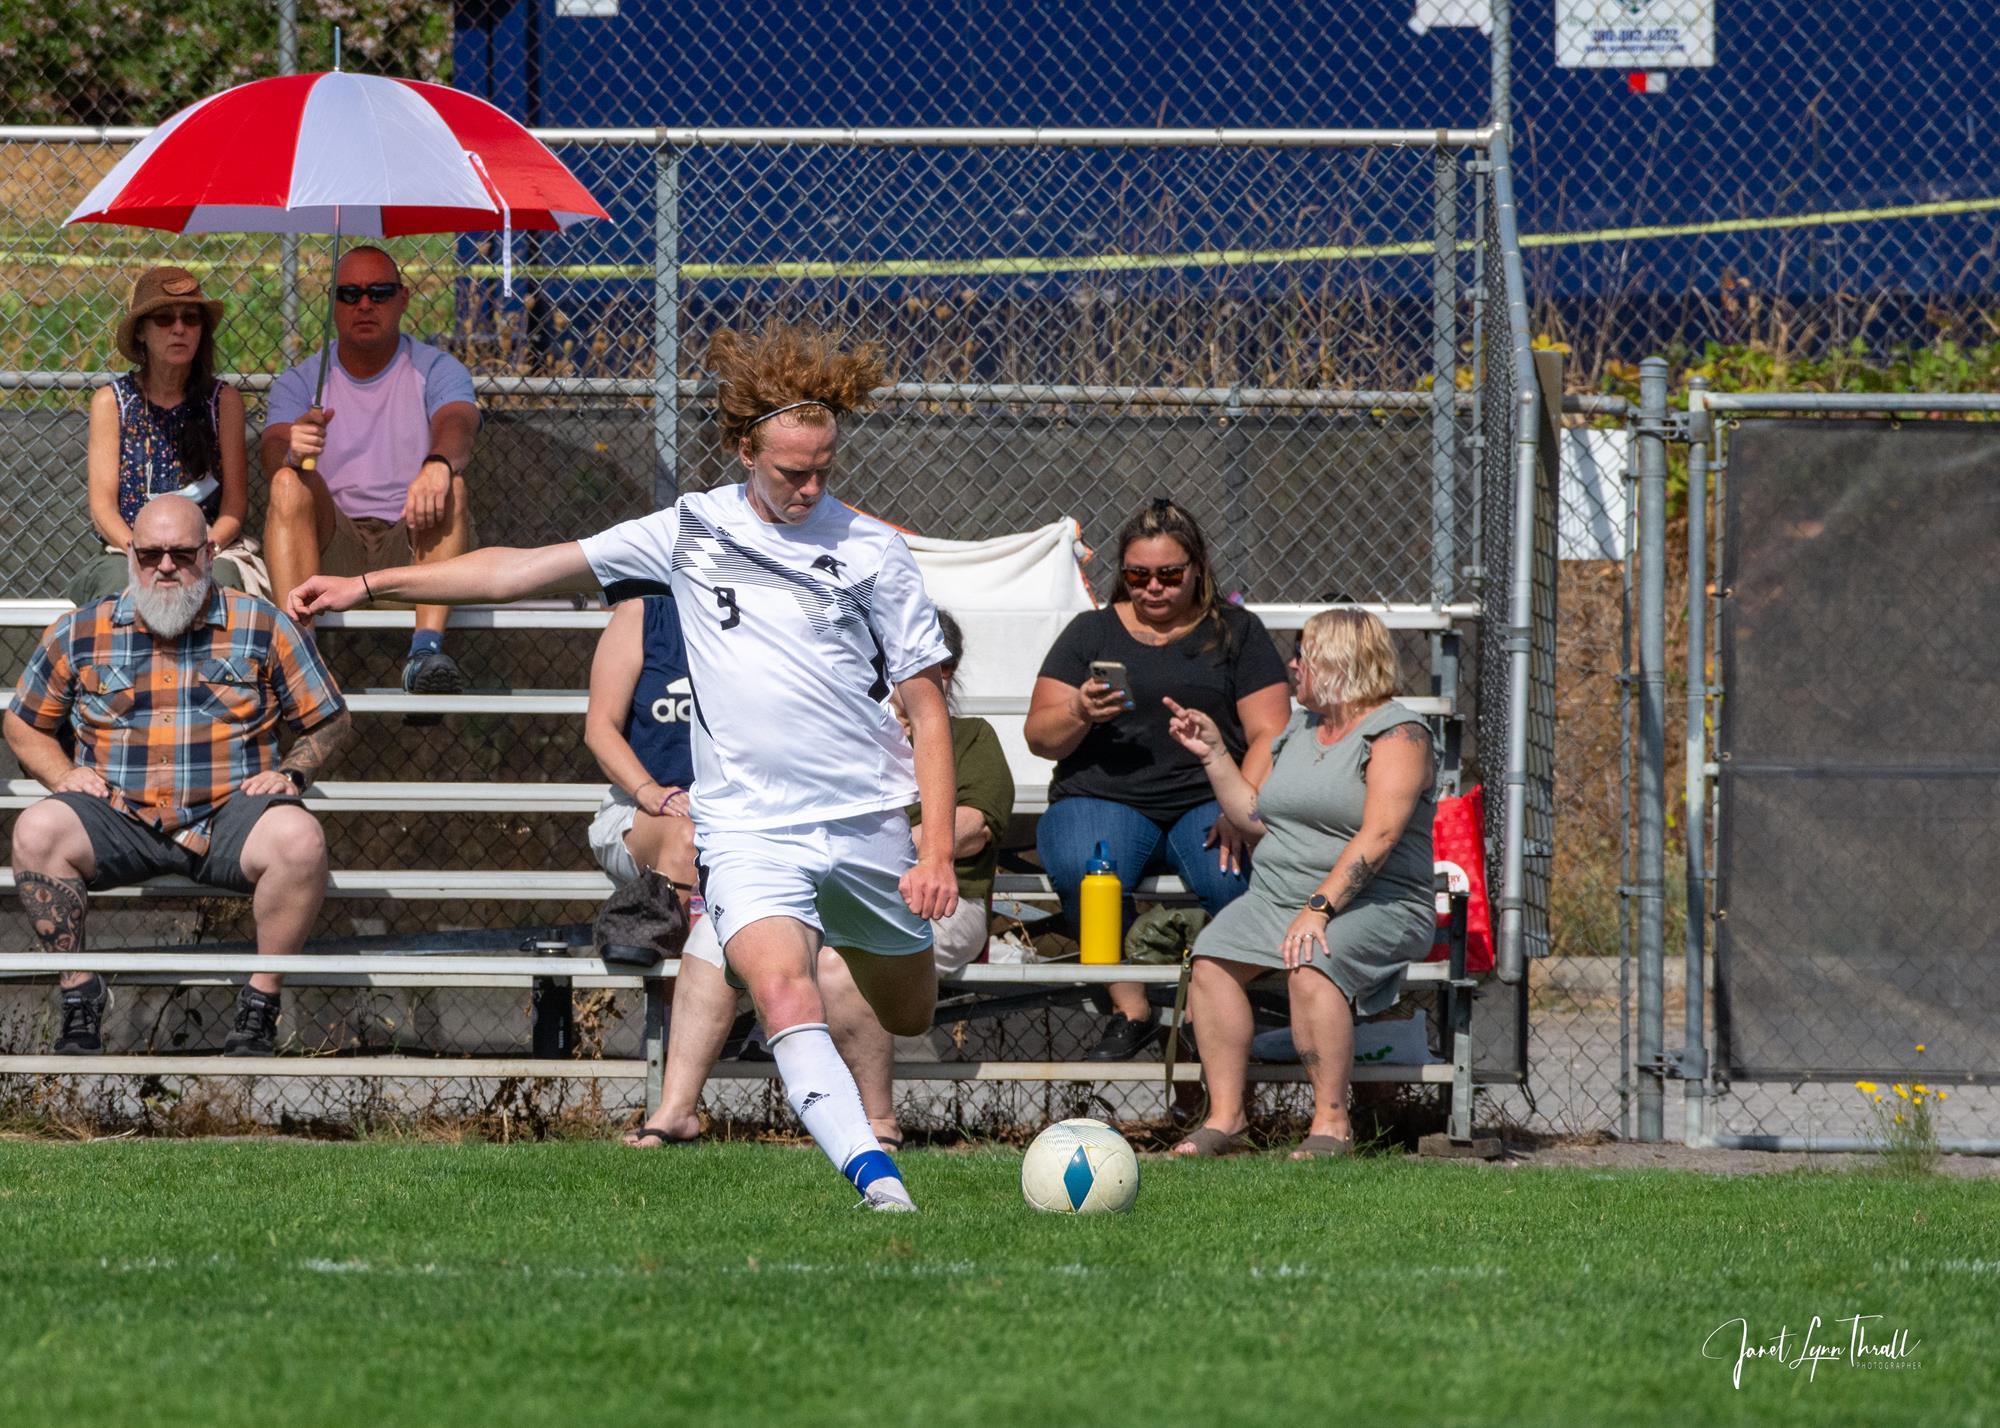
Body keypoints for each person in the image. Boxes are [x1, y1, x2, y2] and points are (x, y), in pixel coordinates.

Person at [289, 322, 958, 1211]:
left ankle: (880, 1063)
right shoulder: (689, 530)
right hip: (751, 826)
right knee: (783, 986)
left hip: (867, 821)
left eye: (823, 469)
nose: (809, 486)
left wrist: (937, 851)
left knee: (906, 1008)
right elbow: (514, 572)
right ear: (742, 447)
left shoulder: (874, 552)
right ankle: (878, 1184)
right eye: (792, 469)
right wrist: (367, 586)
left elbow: (926, 711)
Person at [620, 608, 1013, 1152]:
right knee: (714, 939)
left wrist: (877, 840)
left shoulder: (969, 738)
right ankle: (675, 1110)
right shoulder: (842, 730)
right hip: (814, 885)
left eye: (931, 667)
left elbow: (971, 827)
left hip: (935, 904)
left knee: (840, 957)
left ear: (947, 673)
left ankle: (877, 1121)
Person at [7, 495, 351, 1057]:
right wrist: (63, 772)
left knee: (300, 838)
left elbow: (330, 720)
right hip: (115, 815)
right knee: (35, 831)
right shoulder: (80, 631)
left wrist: (292, 775)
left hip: (228, 816)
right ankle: (78, 994)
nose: (165, 566)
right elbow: (23, 726)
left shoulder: (262, 625)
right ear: (129, 554)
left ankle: (259, 1006)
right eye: (149, 554)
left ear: (210, 552)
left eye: (182, 553)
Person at [1162, 607, 1437, 1158]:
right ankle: (1227, 1120)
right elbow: (1255, 816)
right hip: (1278, 897)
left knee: (1312, 963)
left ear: (1336, 662)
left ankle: (1331, 1124)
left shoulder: (1399, 733)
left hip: (1376, 901)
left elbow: (1379, 835)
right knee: (1211, 961)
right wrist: (1215, 754)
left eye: (1301, 655)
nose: (1292, 667)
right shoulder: (1300, 727)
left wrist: (1319, 907)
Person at [1024, 498, 1290, 1060]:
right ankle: (1131, 1009)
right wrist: (1079, 711)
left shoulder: (1235, 631)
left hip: (1208, 798)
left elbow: (1269, 732)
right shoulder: (1091, 632)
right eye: (1137, 575)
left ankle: (1205, 1013)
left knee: (1231, 880)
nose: (1153, 588)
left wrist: (1243, 806)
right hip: (1104, 795)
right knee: (1083, 866)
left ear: (1197, 569)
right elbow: (1039, 737)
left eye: (1169, 575)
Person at [261, 245, 481, 694]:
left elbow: (458, 423)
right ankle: (300, 660)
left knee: (451, 485)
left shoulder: (436, 367)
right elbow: (270, 453)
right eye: (349, 294)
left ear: (402, 299)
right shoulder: (303, 380)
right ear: (331, 304)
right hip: (333, 544)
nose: (364, 304)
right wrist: (293, 448)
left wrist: (437, 464)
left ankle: (425, 654)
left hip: (413, 536)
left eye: (379, 293)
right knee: (287, 482)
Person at [67, 266, 251, 606]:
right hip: (129, 547)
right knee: (112, 587)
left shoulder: (223, 401)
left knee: (223, 584)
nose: (179, 329)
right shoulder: (113, 402)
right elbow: (103, 506)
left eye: (191, 319)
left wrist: (202, 549)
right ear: (140, 332)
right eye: (165, 319)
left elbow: (234, 506)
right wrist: (142, 552)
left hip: (208, 546)